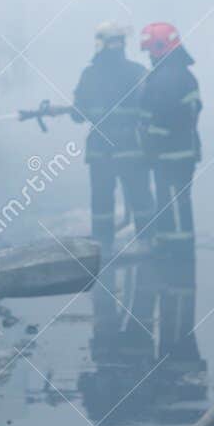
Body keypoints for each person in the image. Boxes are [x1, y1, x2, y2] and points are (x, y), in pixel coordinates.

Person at [71, 22, 153, 257]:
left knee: (101, 200)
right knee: (140, 196)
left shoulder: (89, 75)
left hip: (101, 150)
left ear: (100, 44)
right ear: (122, 44)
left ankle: (102, 245)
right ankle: (147, 241)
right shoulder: (138, 72)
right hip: (131, 147)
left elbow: (78, 115)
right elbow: (150, 107)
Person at [139, 22, 201, 265]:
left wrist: (149, 143)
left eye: (149, 51)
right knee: (172, 201)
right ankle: (167, 245)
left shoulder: (165, 78)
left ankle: (179, 255)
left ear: (159, 48)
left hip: (169, 153)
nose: (149, 56)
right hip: (182, 151)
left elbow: (163, 119)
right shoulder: (185, 75)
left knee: (174, 202)